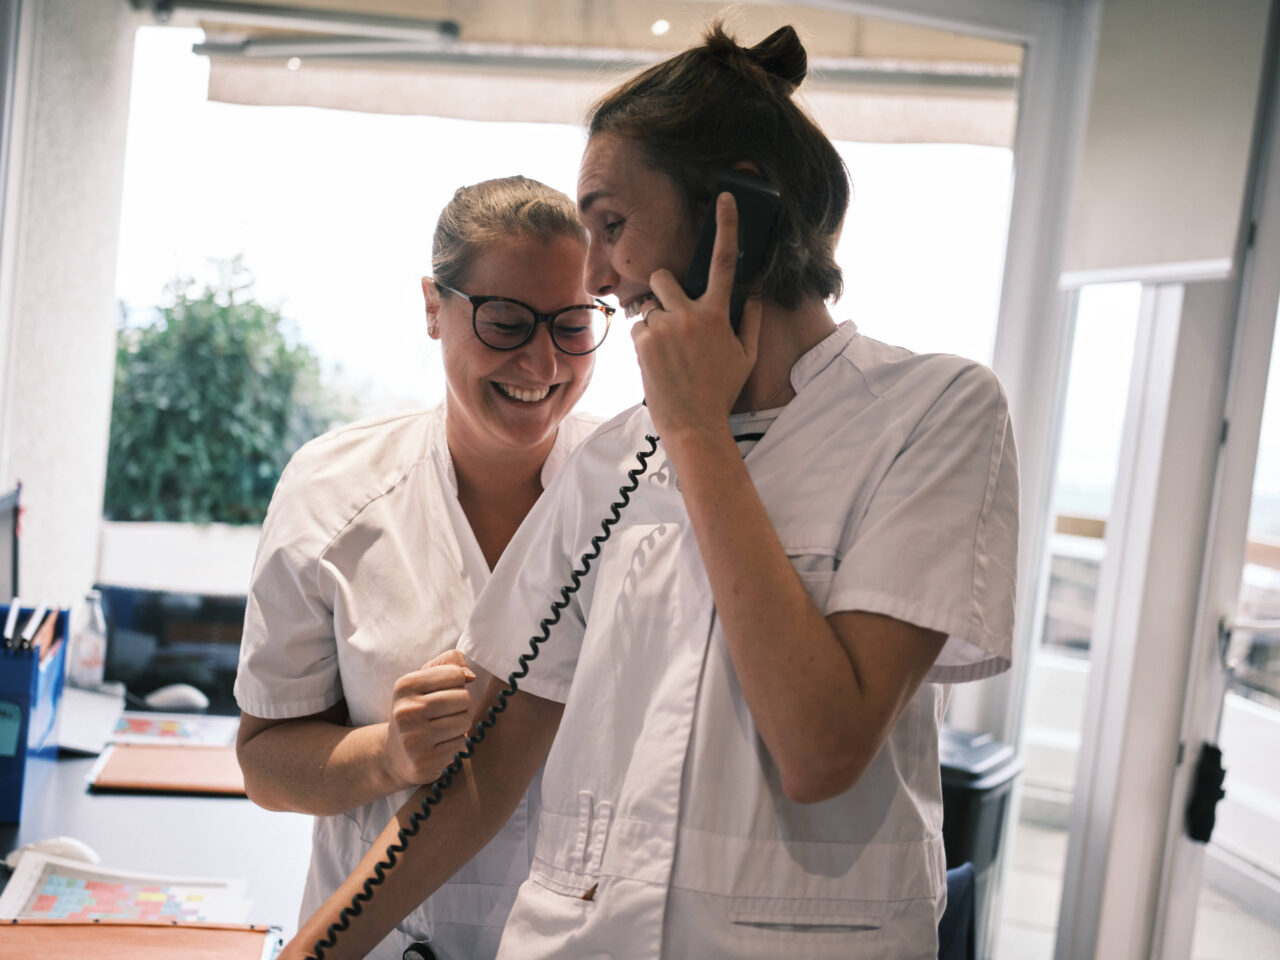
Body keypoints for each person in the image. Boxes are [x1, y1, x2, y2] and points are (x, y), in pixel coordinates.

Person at [283, 22, 1019, 960]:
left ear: (736, 212)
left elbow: (821, 749)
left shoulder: (932, 412)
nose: (595, 273)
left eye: (612, 225)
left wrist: (699, 431)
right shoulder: (609, 462)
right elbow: (486, 774)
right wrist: (314, 949)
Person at [233, 176, 611, 960]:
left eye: (574, 326)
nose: (541, 361)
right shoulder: (334, 493)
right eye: (507, 321)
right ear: (435, 307)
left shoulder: (635, 493)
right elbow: (265, 761)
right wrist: (388, 755)